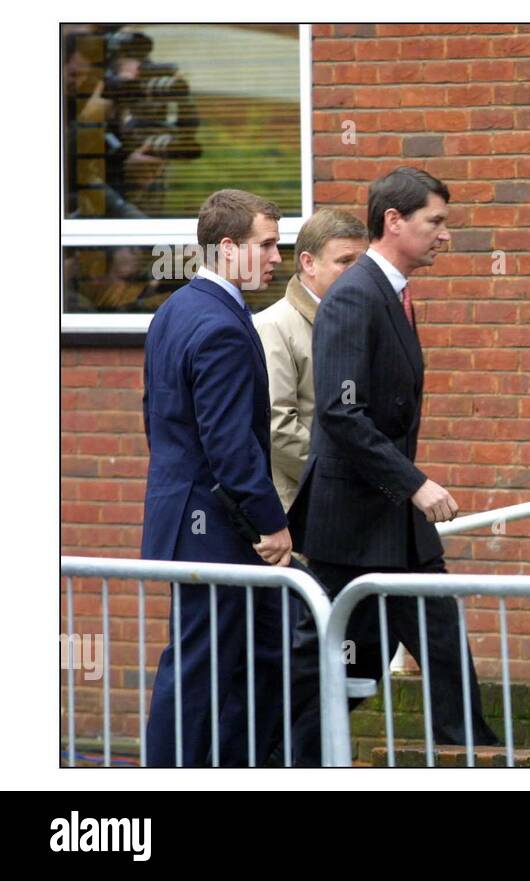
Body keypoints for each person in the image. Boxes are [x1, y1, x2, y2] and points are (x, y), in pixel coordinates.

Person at [287, 167, 497, 763]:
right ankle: (265, 758)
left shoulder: (390, 294)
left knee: (421, 654)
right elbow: (340, 413)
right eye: (436, 222)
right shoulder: (356, 295)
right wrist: (416, 485)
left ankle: (470, 757)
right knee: (323, 668)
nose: (445, 236)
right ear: (394, 222)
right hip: (353, 524)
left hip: (390, 525)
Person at [141, 189, 291, 767]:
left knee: (228, 660)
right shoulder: (222, 324)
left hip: (189, 518)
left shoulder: (176, 309)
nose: (277, 256)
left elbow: (156, 414)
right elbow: (228, 443)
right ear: (229, 248)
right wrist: (270, 522)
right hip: (213, 527)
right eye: (267, 244)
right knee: (201, 666)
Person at [254, 208, 367, 511]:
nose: (358, 273)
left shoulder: (359, 320)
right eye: (344, 262)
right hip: (304, 507)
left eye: (362, 262)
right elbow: (277, 426)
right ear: (308, 262)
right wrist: (345, 475)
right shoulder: (274, 326)